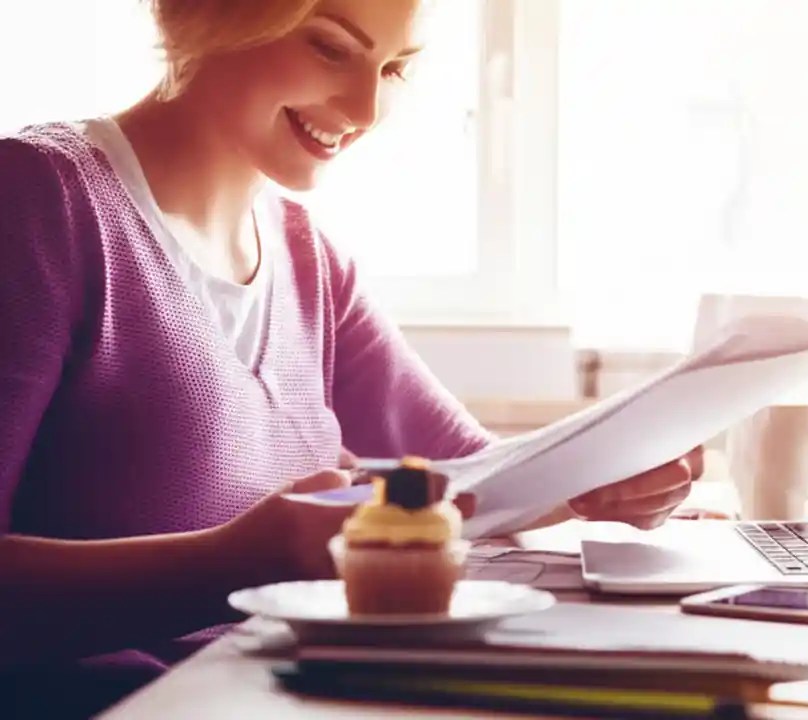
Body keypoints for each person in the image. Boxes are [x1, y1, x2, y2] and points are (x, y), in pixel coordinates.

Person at [0, 0, 701, 715]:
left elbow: (470, 472)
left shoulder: (308, 258)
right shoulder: (35, 198)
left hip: (288, 697)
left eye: (393, 69)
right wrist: (233, 560)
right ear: (204, 16)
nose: (366, 111)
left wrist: (602, 472)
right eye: (331, 49)